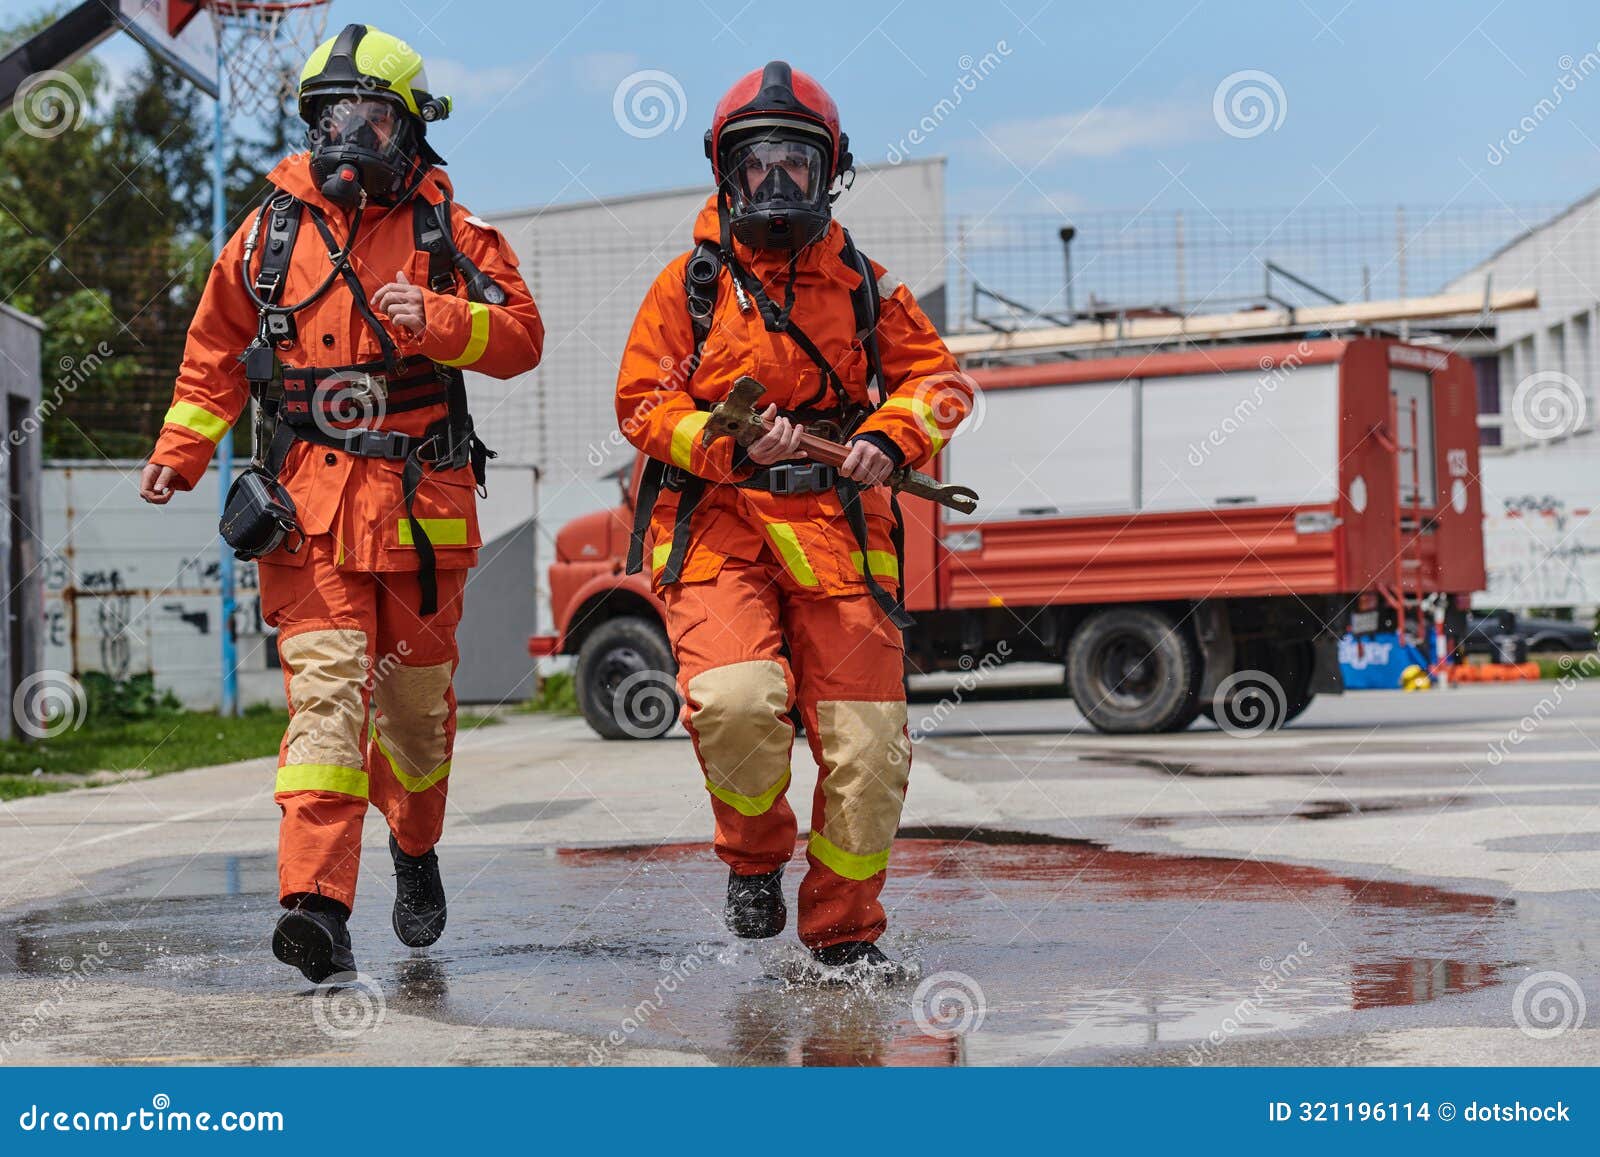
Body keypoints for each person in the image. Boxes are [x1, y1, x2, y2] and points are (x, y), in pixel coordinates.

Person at [139, 24, 543, 983]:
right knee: (325, 705)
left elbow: (522, 336)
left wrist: (444, 321)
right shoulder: (269, 231)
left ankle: (414, 849)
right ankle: (315, 905)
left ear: (410, 128)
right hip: (307, 511)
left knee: (415, 717)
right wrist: (180, 449)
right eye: (329, 115)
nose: (346, 134)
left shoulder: (454, 233)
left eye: (367, 114)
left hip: (420, 516)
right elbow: (212, 354)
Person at [615, 61, 970, 976]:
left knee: (871, 747)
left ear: (830, 171)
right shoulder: (686, 288)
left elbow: (940, 381)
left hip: (840, 534)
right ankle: (754, 855)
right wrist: (732, 448)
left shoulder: (864, 284)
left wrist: (891, 440)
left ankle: (846, 934)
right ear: (725, 173)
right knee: (735, 703)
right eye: (757, 163)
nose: (776, 182)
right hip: (720, 529)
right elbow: (641, 405)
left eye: (796, 164)